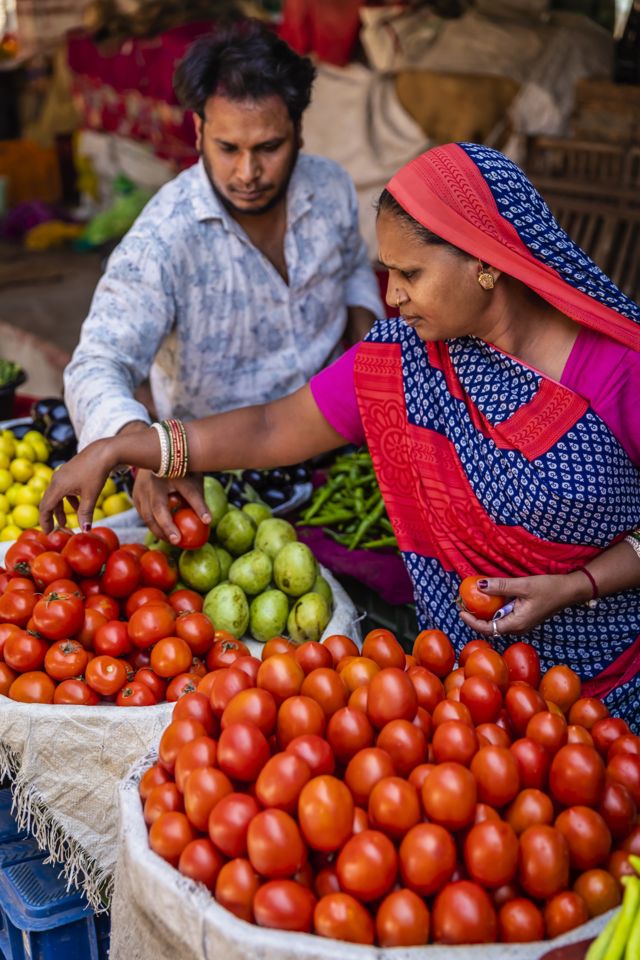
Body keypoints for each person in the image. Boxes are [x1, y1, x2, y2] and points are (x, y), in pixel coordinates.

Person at [42, 143, 640, 726]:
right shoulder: (403, 359)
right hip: (466, 699)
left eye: (410, 273)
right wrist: (128, 445)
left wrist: (576, 587)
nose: (393, 294)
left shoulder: (620, 371)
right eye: (388, 272)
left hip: (610, 694)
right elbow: (272, 425)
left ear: (484, 261)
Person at [63, 18, 383, 532]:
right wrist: (141, 446)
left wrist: (365, 333)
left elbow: (351, 268)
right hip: (210, 479)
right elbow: (97, 363)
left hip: (336, 457)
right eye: (228, 148)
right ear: (198, 132)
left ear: (299, 132)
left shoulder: (331, 189)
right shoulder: (163, 239)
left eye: (269, 148)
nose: (247, 174)